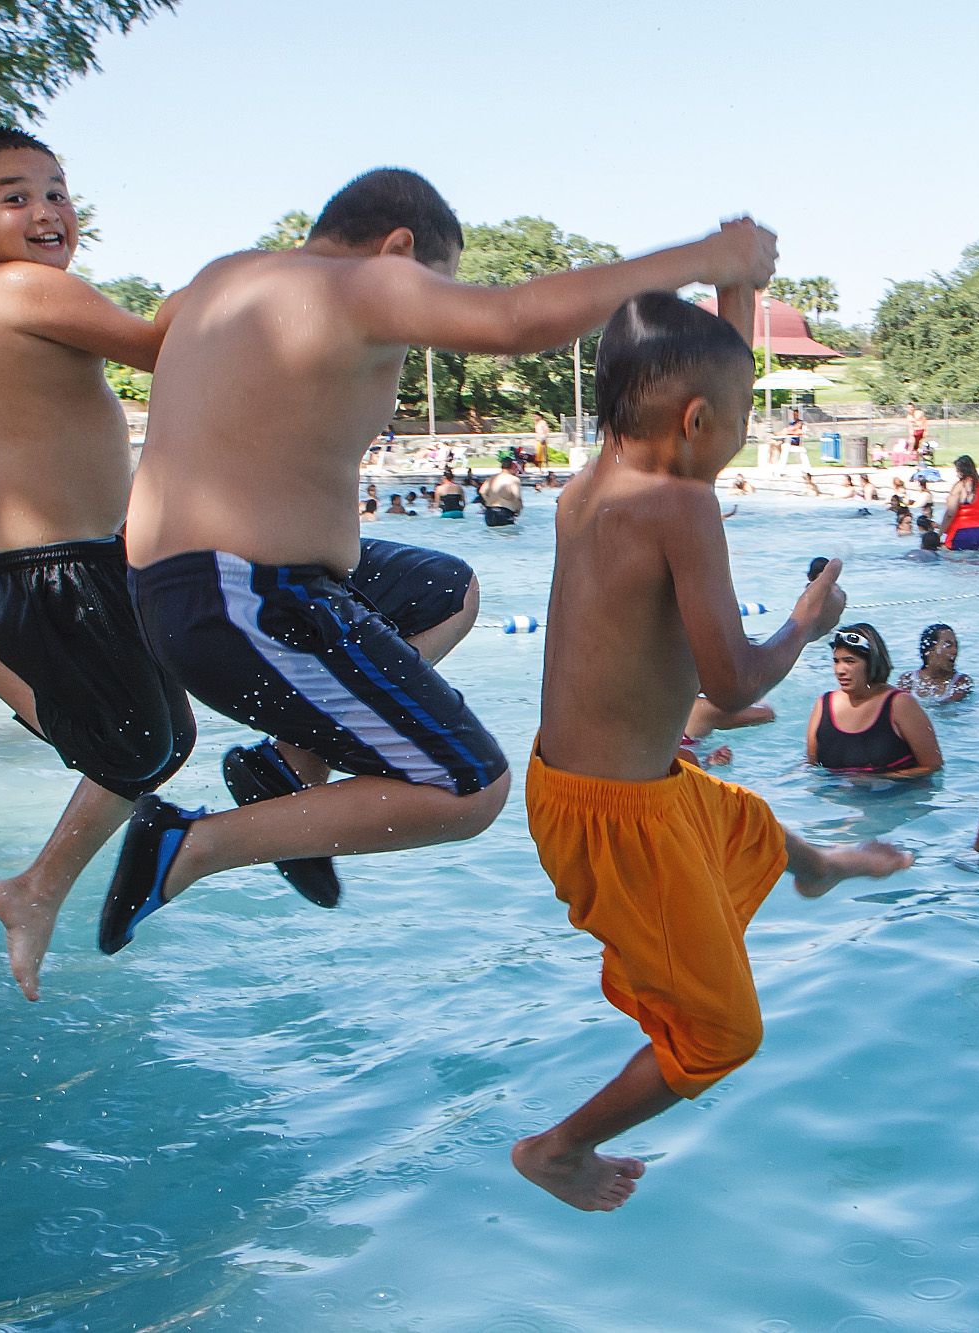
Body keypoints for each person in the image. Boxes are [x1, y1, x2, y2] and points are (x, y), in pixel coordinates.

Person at [105, 173, 785, 957]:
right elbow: (518, 319)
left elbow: (151, 336)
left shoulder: (221, 280)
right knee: (466, 784)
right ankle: (187, 845)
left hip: (182, 587)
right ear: (397, 249)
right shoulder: (362, 282)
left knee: (446, 592)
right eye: (433, 290)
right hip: (240, 595)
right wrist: (710, 254)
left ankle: (289, 765)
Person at [515, 290, 910, 1213]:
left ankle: (812, 866)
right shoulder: (682, 505)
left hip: (594, 783)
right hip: (615, 819)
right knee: (723, 1035)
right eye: (738, 427)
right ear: (697, 422)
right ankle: (556, 1148)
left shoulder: (590, 481)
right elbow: (730, 684)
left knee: (737, 814)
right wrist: (807, 627)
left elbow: (685, 374)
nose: (740, 446)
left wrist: (735, 293)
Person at [0, 128, 197, 999]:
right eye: (15, 196)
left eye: (57, 191)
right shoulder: (18, 289)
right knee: (133, 751)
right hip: (46, 570)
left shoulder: (14, 292)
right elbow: (164, 347)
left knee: (163, 750)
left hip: (87, 561)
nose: (47, 211)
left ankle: (35, 889)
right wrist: (234, 278)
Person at [807, 624, 944, 776]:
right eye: (836, 661)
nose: (840, 670)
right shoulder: (823, 704)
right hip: (835, 797)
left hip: (893, 796)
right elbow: (811, 765)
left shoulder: (900, 704)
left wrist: (878, 780)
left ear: (872, 662)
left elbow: (932, 767)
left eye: (850, 661)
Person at [896, 623, 972, 703]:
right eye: (948, 645)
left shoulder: (961, 682)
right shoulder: (908, 679)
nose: (954, 651)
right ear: (930, 650)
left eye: (956, 646)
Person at [939, 455, 979, 551]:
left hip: (960, 530)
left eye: (957, 471)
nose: (956, 475)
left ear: (961, 471)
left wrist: (939, 534)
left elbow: (950, 513)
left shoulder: (960, 486)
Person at [481, 457, 523, 526]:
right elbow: (517, 496)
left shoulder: (491, 479)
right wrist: (519, 508)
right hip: (504, 512)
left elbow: (482, 491)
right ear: (512, 466)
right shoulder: (514, 480)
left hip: (489, 511)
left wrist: (488, 500)